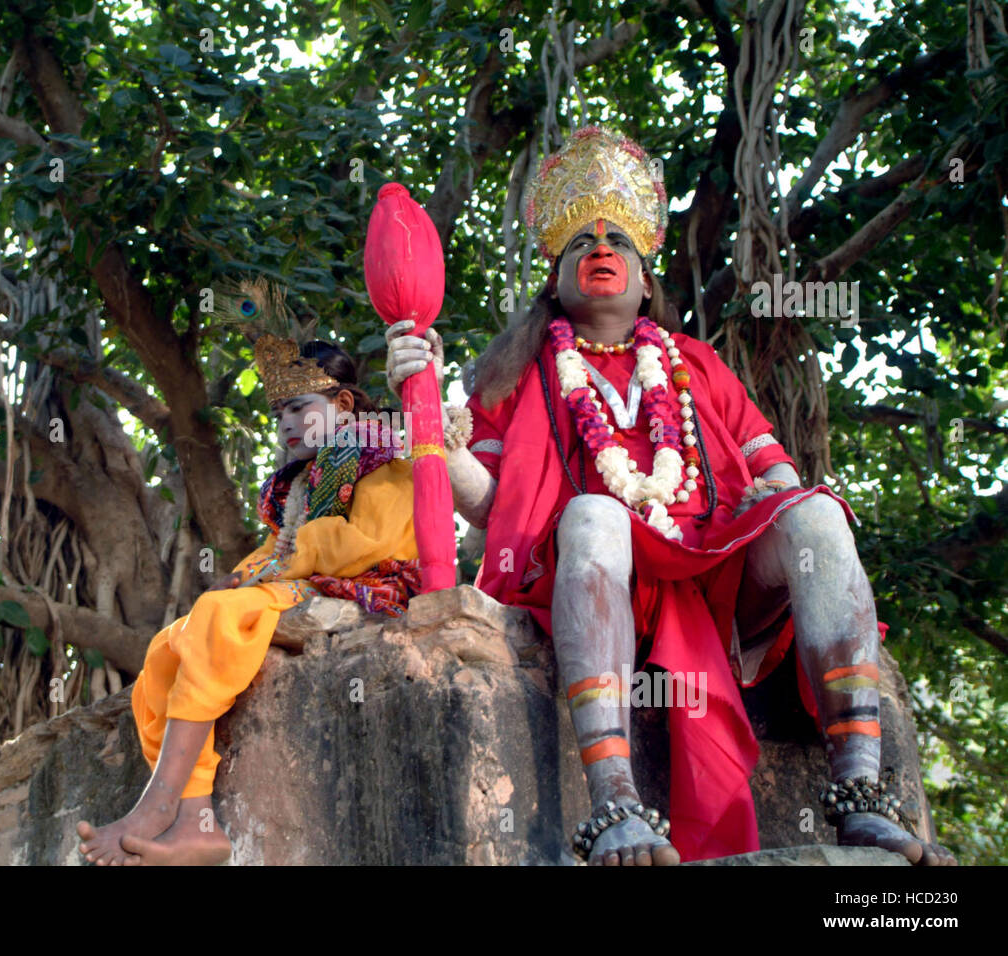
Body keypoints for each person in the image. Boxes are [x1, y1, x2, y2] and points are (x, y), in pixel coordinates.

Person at [386, 126, 956, 866]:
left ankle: (862, 801)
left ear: (646, 281)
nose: (600, 247)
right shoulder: (513, 373)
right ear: (554, 282)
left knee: (815, 512)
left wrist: (793, 529)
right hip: (588, 569)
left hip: (717, 573)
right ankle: (617, 805)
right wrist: (425, 411)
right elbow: (490, 507)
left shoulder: (696, 364)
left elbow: (773, 474)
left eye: (619, 240)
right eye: (579, 244)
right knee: (596, 512)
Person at [76, 334, 420, 865]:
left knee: (215, 615)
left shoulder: (379, 453)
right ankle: (196, 821)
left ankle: (157, 803)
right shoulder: (302, 479)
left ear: (344, 404)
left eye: (299, 407)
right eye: (279, 412)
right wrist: (247, 574)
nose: (285, 423)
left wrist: (277, 567)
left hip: (365, 586)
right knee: (167, 645)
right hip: (304, 581)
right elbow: (274, 548)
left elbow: (367, 542)